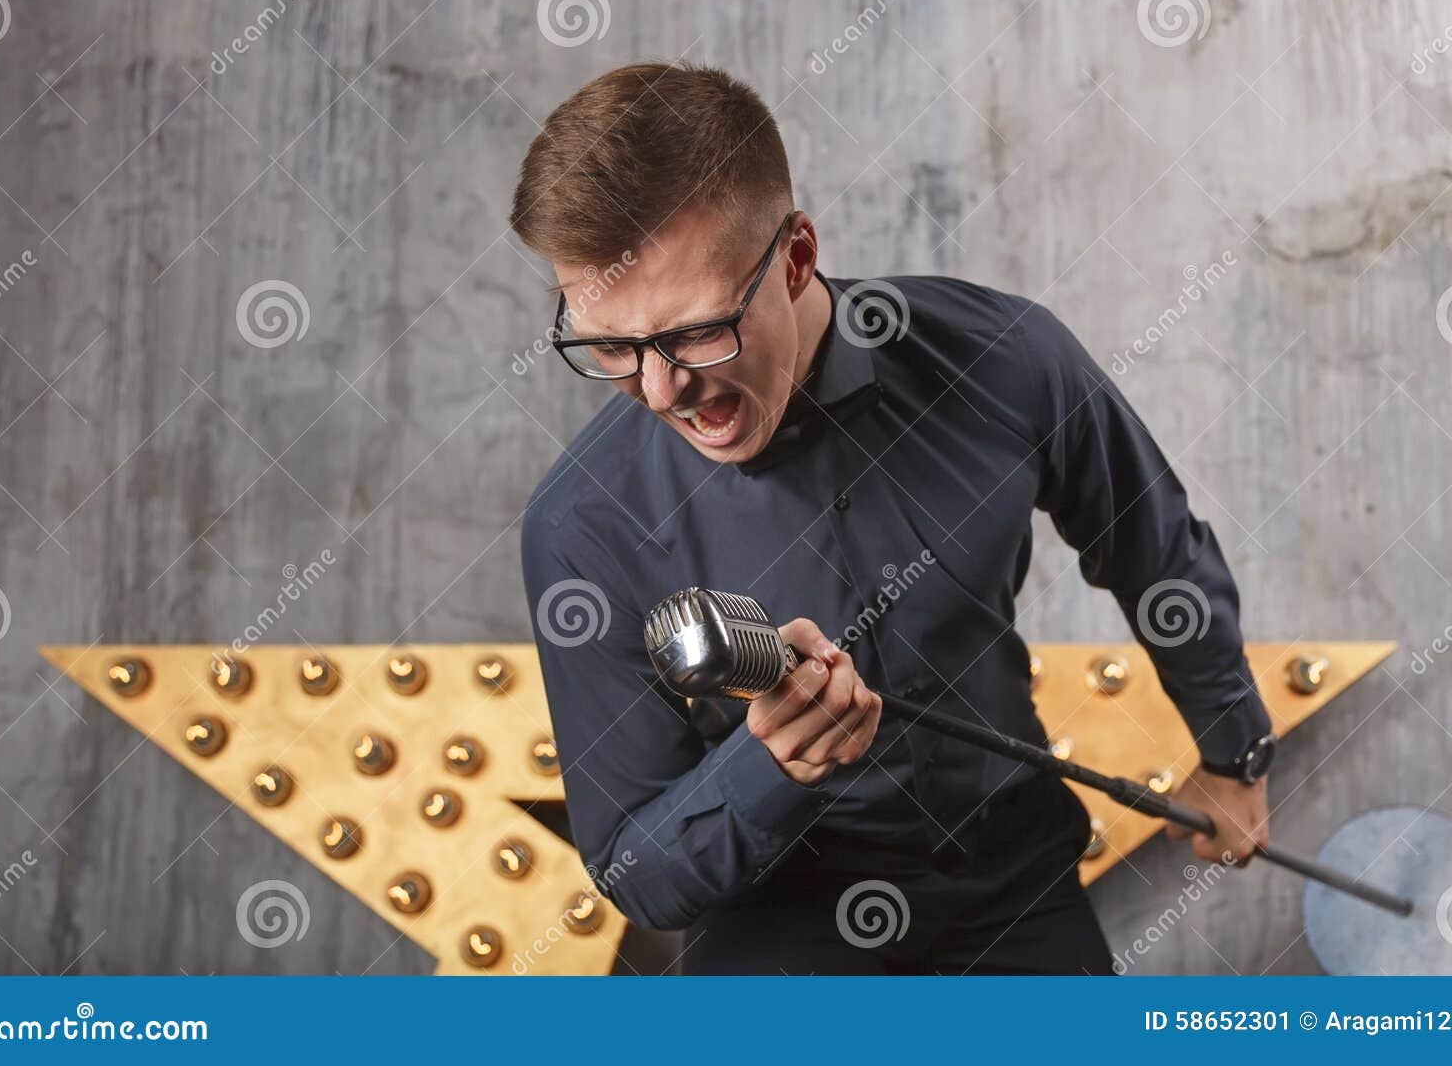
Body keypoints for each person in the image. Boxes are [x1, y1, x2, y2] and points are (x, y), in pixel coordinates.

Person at [513, 61, 1273, 974]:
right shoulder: (580, 525)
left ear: (795, 258)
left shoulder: (1005, 358)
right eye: (610, 347)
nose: (662, 388)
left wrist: (1235, 748)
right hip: (779, 928)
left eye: (694, 332)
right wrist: (770, 771)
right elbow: (634, 871)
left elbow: (1154, 546)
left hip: (1016, 888)